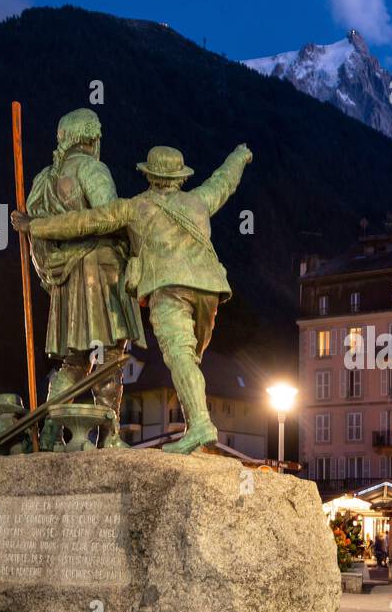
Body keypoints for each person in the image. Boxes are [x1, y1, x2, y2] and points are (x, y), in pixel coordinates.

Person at [15, 142, 253, 454]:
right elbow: (224, 180)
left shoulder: (133, 208)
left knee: (180, 356)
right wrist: (240, 155)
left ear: (149, 176)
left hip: (169, 287)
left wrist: (35, 225)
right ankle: (197, 423)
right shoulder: (199, 201)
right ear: (181, 177)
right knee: (190, 357)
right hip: (209, 290)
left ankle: (200, 425)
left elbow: (83, 222)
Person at [25, 108, 146, 449]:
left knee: (73, 360)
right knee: (108, 354)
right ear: (91, 138)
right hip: (100, 271)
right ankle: (109, 436)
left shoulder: (43, 181)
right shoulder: (92, 169)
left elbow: (37, 239)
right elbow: (108, 217)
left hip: (65, 280)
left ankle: (50, 433)